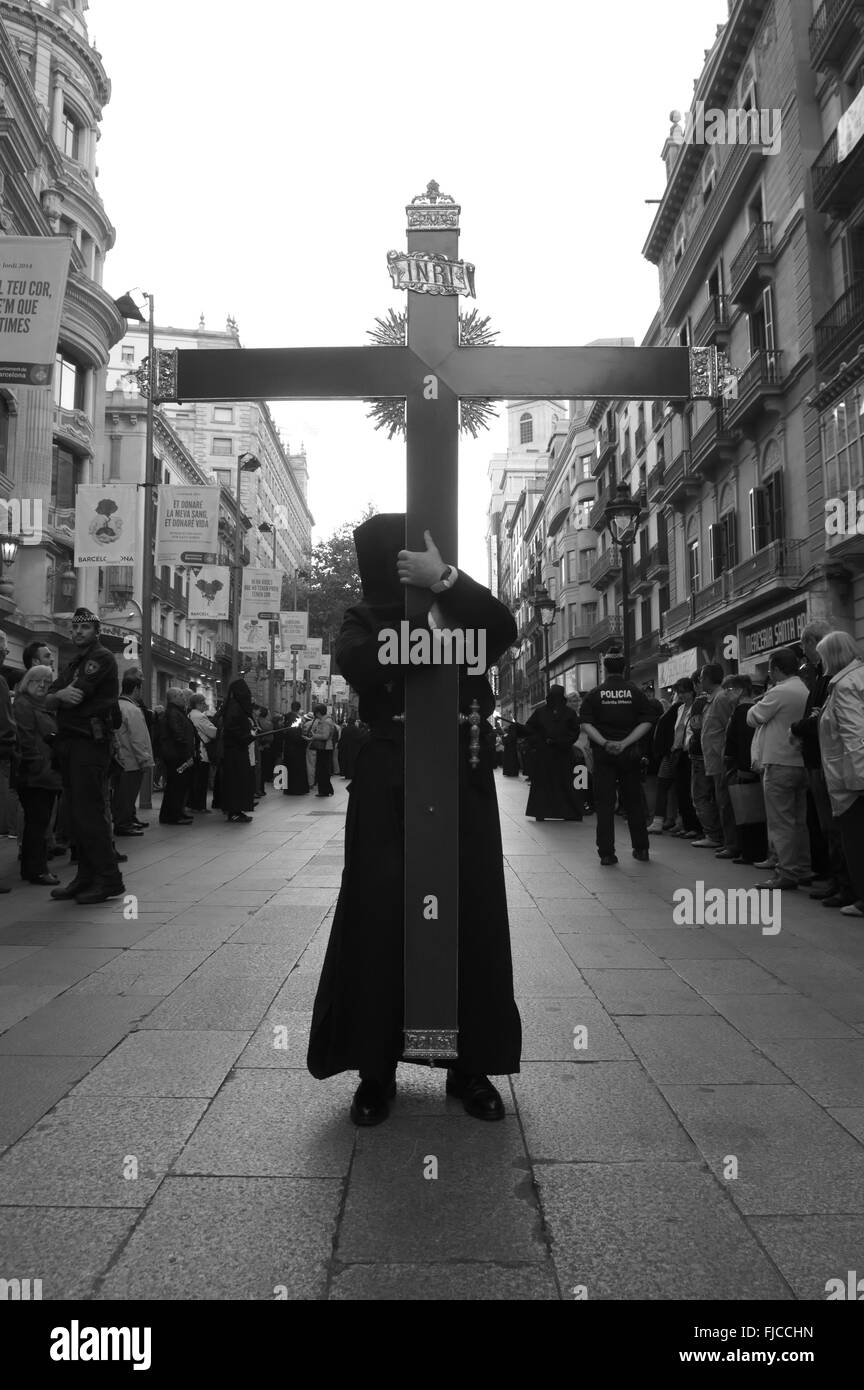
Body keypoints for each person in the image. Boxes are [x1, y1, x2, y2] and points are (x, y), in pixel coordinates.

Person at [307, 514, 521, 1127]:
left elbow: (502, 628)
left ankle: (470, 1065)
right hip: (388, 782)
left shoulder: (464, 605)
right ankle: (376, 1067)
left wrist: (446, 580)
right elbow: (362, 663)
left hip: (462, 775)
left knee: (469, 908)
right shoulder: (362, 617)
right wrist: (418, 617)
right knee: (380, 911)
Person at [44, 608, 124, 905]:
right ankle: (86, 877)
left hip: (89, 744)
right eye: (74, 629)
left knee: (90, 814)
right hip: (72, 744)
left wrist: (58, 696)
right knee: (77, 815)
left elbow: (76, 694)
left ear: (96, 632)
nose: (77, 633)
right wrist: (58, 696)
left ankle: (108, 878)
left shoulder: (99, 658)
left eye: (84, 629)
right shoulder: (75, 661)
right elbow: (51, 695)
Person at [790, 621, 854, 908]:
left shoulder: (837, 681)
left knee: (835, 825)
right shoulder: (821, 677)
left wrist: (799, 726)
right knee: (828, 825)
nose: (804, 651)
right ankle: (835, 880)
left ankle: (844, 884)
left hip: (831, 762)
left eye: (806, 645)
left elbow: (835, 723)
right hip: (821, 759)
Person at [578, 652, 658, 865]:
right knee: (633, 801)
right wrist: (626, 742)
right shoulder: (635, 693)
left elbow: (586, 724)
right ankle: (641, 848)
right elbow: (648, 721)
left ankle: (606, 853)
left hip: (603, 755)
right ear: (624, 669)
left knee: (604, 803)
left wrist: (604, 743)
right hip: (629, 754)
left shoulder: (595, 694)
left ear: (604, 669)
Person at [746, 647, 811, 891]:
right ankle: (803, 867)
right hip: (799, 762)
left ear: (775, 669)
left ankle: (787, 872)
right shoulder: (804, 689)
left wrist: (758, 703)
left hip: (778, 762)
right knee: (799, 821)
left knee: (781, 821)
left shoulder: (780, 691)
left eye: (771, 669)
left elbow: (752, 717)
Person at [816, 630, 864, 918]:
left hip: (849, 780)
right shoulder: (857, 678)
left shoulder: (844, 685)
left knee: (855, 841)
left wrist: (860, 779)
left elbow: (854, 735)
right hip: (851, 774)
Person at [12, 664, 62, 885]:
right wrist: (37, 765)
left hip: (45, 774)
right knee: (37, 822)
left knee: (40, 822)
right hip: (36, 775)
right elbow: (25, 739)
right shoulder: (24, 705)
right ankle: (37, 870)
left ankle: (35, 868)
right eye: (37, 681)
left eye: (47, 682)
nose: (42, 685)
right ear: (27, 682)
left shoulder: (40, 705)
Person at [722, 674, 769, 866]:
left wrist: (741, 766)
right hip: (750, 767)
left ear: (740, 690)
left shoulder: (743, 712)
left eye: (729, 690)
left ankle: (751, 852)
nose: (726, 694)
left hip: (743, 768)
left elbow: (742, 742)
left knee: (747, 812)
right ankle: (751, 850)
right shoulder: (751, 710)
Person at [523, 686, 583, 821]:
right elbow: (573, 733)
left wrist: (552, 741)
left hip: (553, 754)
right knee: (563, 783)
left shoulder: (542, 712)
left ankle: (542, 811)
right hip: (559, 754)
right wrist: (558, 742)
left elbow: (529, 730)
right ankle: (567, 812)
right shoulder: (568, 713)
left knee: (548, 783)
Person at [699, 663, 740, 859]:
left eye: (701, 677)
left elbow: (728, 726)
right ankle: (727, 840)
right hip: (714, 759)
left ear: (708, 678)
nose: (699, 681)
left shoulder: (721, 698)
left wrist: (724, 753)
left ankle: (731, 843)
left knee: (725, 802)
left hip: (721, 758)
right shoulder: (711, 699)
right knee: (720, 800)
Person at [687, 664, 725, 850]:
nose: (700, 682)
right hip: (712, 755)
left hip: (709, 756)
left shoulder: (712, 700)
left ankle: (713, 834)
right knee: (715, 797)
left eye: (702, 678)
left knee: (702, 795)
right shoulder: (715, 698)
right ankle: (718, 835)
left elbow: (696, 726)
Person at [112, 672, 154, 835]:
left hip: (119, 758)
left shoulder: (117, 705)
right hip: (131, 760)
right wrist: (144, 759)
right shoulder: (133, 710)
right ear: (136, 688)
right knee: (127, 795)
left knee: (120, 793)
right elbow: (137, 738)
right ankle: (124, 824)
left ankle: (124, 820)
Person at [154, 688, 196, 825]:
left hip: (178, 754)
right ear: (173, 697)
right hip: (177, 756)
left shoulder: (177, 712)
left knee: (179, 785)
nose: (184, 698)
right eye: (180, 695)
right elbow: (177, 733)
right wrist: (185, 751)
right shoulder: (173, 713)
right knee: (176, 785)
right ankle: (172, 815)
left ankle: (176, 812)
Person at [220, 678, 257, 822]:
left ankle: (237, 809)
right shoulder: (235, 708)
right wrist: (248, 736)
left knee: (240, 781)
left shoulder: (235, 706)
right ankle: (234, 811)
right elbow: (232, 729)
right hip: (235, 751)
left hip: (237, 750)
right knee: (236, 781)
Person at [187, 693, 218, 812]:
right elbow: (213, 732)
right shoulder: (200, 716)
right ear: (198, 703)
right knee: (201, 780)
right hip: (202, 751)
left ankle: (192, 804)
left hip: (194, 751)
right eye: (203, 703)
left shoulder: (190, 714)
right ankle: (199, 806)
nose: (205, 705)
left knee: (195, 779)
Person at [281, 700, 311, 796]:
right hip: (296, 748)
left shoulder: (286, 718)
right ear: (298, 708)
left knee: (289, 768)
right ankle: (297, 789)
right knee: (297, 769)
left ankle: (288, 789)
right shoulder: (297, 719)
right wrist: (304, 740)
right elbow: (296, 734)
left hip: (288, 747)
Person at [309, 703, 336, 797]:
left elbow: (325, 736)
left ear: (319, 712)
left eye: (316, 713)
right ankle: (327, 789)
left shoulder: (326, 722)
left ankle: (324, 791)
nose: (315, 715)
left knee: (322, 770)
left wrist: (314, 736)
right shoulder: (326, 720)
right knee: (323, 769)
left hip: (324, 747)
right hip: (324, 747)